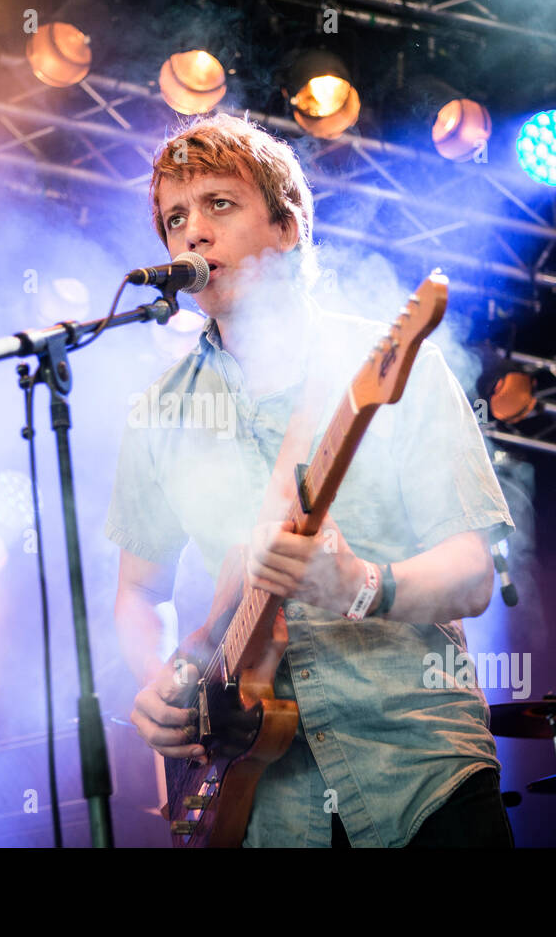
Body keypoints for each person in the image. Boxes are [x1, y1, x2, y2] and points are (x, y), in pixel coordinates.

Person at [104, 112, 516, 847]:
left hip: (417, 773)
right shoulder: (160, 412)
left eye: (218, 205)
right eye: (174, 218)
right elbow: (139, 593)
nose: (191, 232)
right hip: (264, 806)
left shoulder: (387, 362)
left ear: (288, 227)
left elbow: (474, 575)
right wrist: (164, 685)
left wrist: (362, 585)